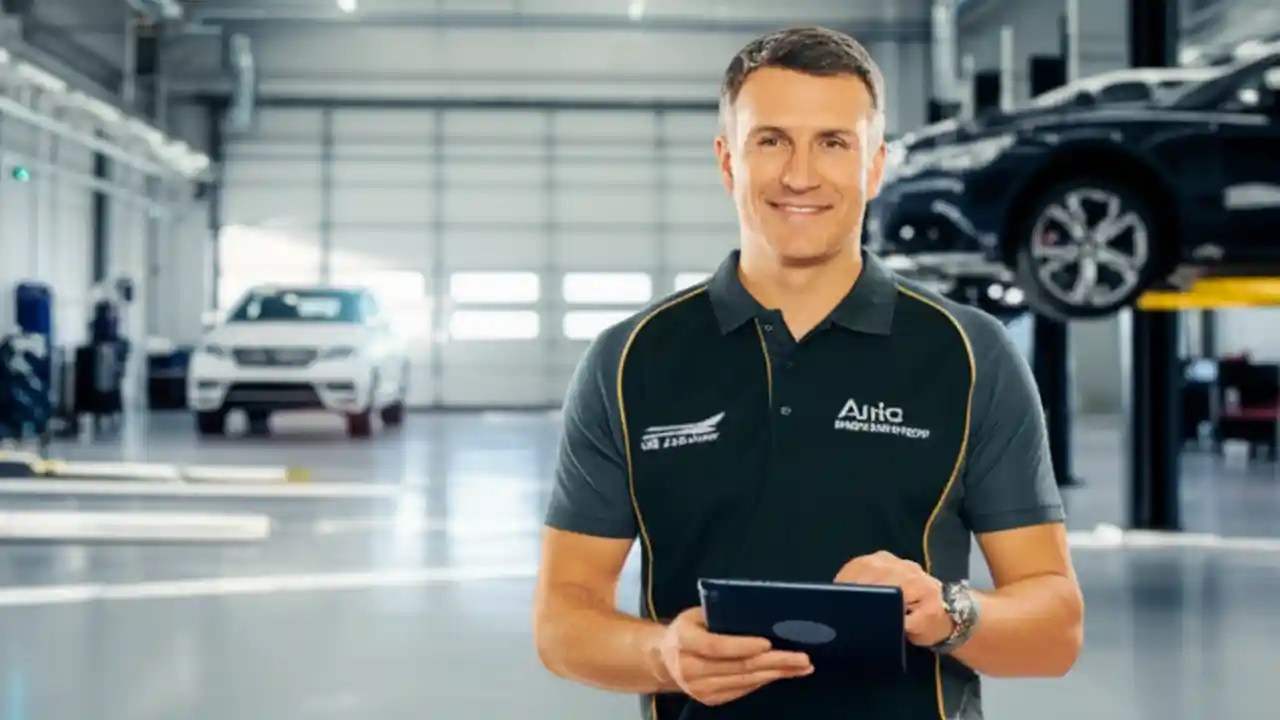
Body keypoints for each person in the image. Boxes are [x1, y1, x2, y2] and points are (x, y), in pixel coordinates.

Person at [533, 25, 1084, 720]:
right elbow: (562, 619)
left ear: (875, 165)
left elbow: (1056, 631)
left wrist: (949, 610)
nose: (800, 174)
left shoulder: (971, 355)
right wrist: (662, 654)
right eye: (771, 140)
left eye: (833, 142)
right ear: (728, 160)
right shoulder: (628, 361)